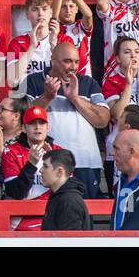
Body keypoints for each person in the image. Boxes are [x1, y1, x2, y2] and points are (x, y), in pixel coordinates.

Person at [21, 41, 111, 198]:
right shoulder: (33, 81)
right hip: (48, 163)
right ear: (53, 60)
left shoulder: (88, 83)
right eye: (67, 61)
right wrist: (47, 97)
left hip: (85, 162)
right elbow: (24, 117)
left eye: (76, 61)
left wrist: (75, 98)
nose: (73, 67)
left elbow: (102, 120)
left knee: (85, 214)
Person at [1, 105, 61, 232]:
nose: (38, 127)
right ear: (23, 127)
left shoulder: (58, 152)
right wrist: (31, 165)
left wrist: (53, 167)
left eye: (42, 123)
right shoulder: (10, 151)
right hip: (20, 222)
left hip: (51, 218)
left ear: (48, 127)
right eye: (32, 123)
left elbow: (68, 190)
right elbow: (15, 192)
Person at [40, 147, 92, 230]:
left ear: (59, 172)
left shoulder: (69, 201)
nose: (41, 170)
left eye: (45, 166)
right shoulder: (60, 196)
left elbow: (70, 240)